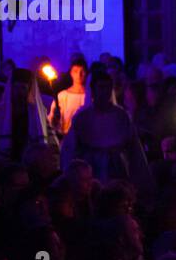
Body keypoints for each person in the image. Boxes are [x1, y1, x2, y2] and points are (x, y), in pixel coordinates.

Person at [60, 68, 152, 197]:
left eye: (108, 87)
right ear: (93, 90)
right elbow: (70, 149)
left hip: (116, 169)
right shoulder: (82, 117)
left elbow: (134, 147)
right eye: (101, 87)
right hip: (91, 170)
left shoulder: (121, 115)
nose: (105, 91)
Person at [49, 56, 88, 136]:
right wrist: (55, 118)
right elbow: (52, 123)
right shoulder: (62, 96)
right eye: (75, 71)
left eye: (82, 71)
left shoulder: (91, 96)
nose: (79, 75)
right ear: (71, 73)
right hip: (66, 138)